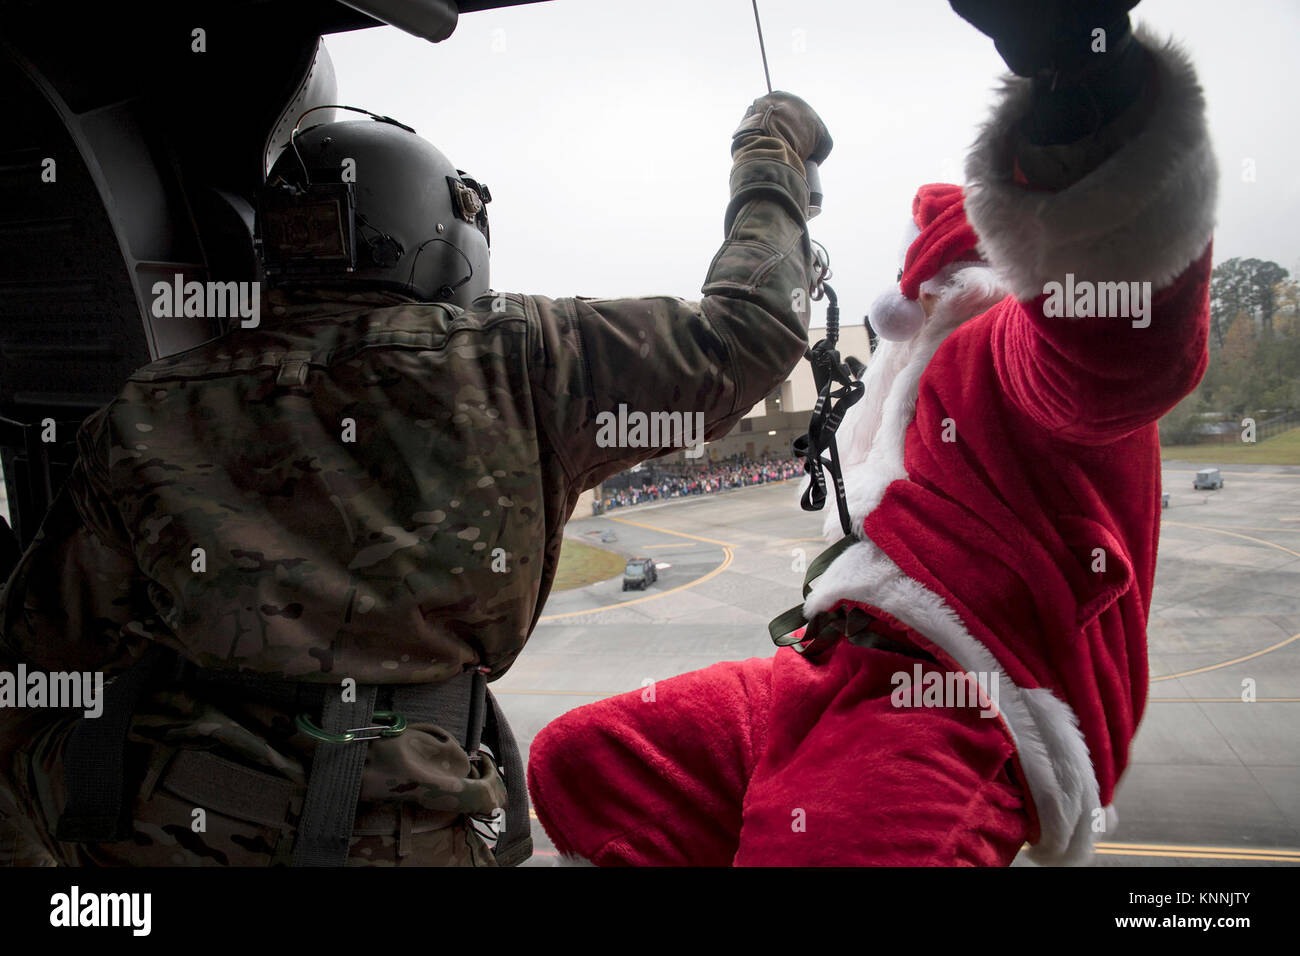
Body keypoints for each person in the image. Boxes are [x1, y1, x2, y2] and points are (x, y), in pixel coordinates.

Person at [0, 93, 832, 866]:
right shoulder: (521, 360)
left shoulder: (145, 410)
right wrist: (772, 157)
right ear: (439, 237)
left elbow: (41, 658)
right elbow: (752, 329)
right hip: (411, 833)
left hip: (170, 831)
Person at [527, 0, 1218, 866]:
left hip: (959, 698)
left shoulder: (1015, 342)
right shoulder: (903, 389)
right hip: (828, 670)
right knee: (587, 761)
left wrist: (1084, 91)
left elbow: (1123, 343)